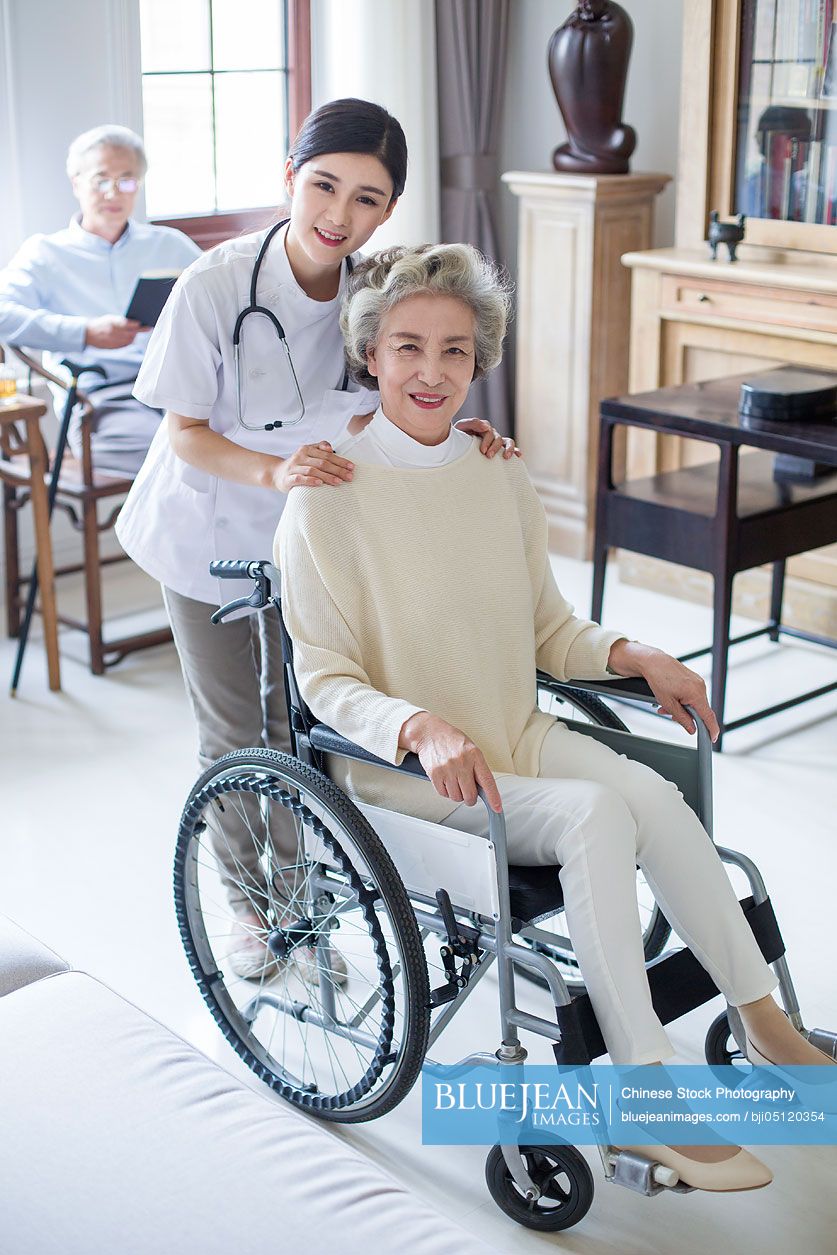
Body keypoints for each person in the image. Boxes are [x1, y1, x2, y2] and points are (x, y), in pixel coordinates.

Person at [277, 242, 835, 1192]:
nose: (430, 369)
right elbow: (325, 681)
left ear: (478, 361)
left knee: (654, 795)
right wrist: (416, 726)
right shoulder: (325, 496)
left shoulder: (495, 471)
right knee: (595, 814)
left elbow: (546, 627)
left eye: (454, 350)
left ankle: (764, 1022)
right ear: (370, 352)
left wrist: (632, 654)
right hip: (402, 775)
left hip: (511, 731)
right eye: (407, 346)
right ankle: (643, 1088)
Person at [115, 99, 513, 980]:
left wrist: (465, 429)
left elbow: (413, 373)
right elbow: (183, 430)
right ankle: (255, 916)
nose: (339, 214)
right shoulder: (214, 285)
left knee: (307, 729)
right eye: (324, 185)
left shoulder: (375, 289)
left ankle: (305, 904)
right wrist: (275, 473)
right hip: (209, 535)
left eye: (367, 198)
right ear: (289, 177)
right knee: (238, 734)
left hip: (315, 535)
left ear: (388, 208)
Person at [0, 125, 201, 473]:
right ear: (76, 183)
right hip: (102, 397)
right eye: (101, 179)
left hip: (178, 387)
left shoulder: (169, 244)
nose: (114, 192)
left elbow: (226, 297)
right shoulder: (45, 253)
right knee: (180, 456)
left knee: (237, 438)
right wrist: (84, 332)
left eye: (126, 180)